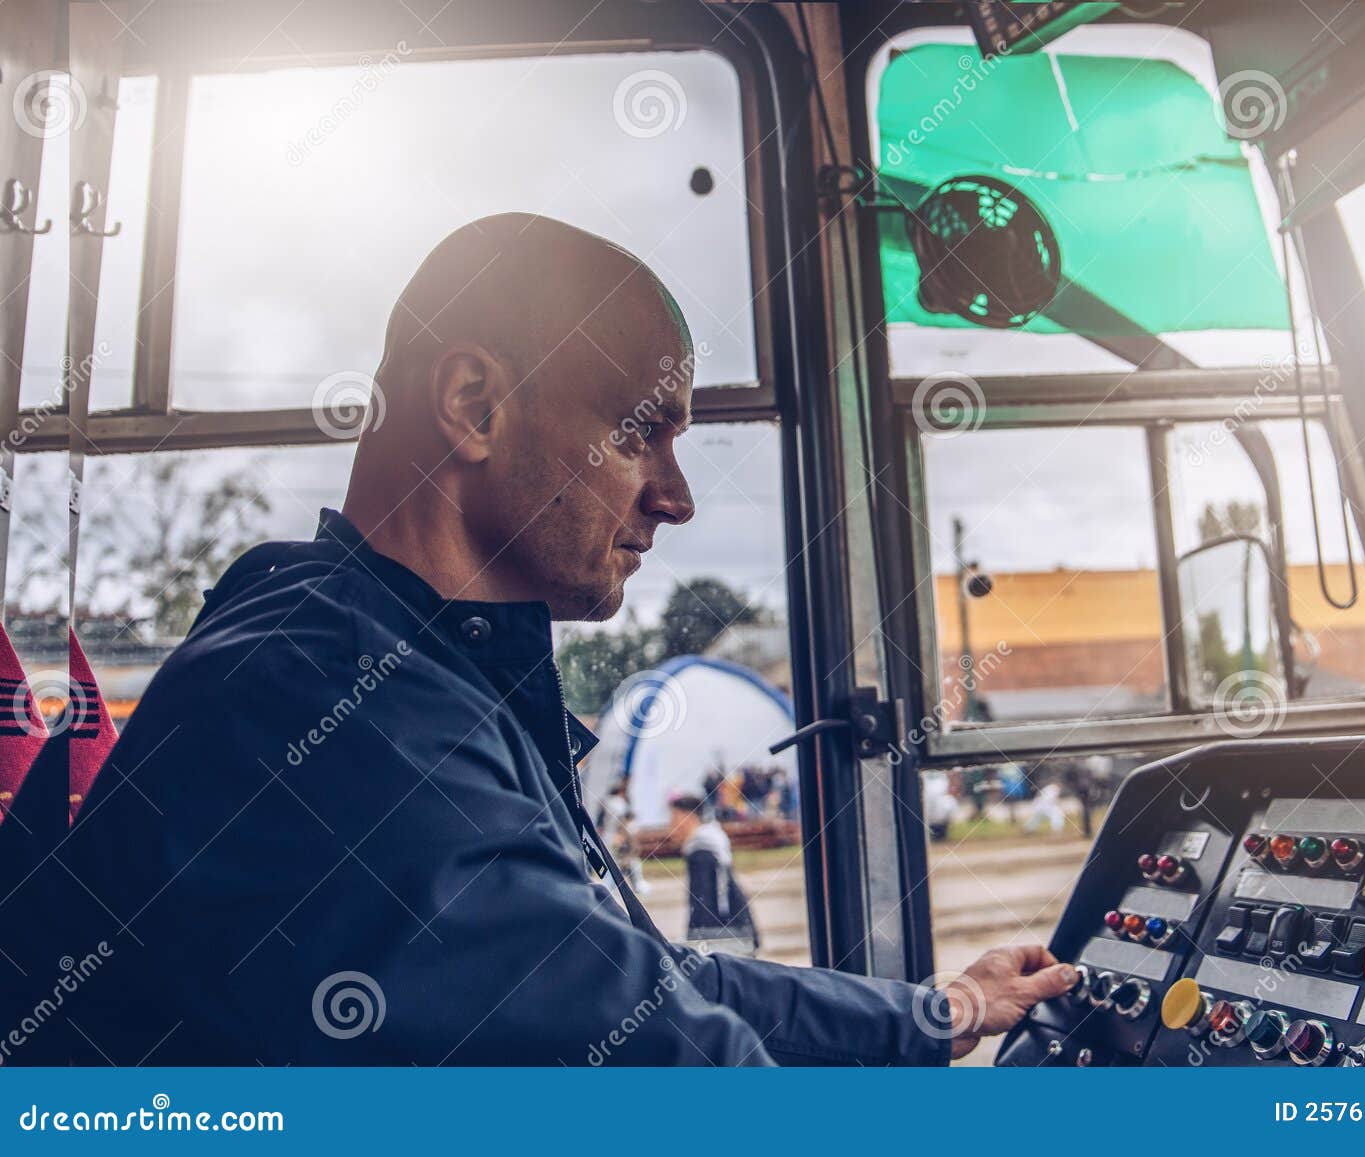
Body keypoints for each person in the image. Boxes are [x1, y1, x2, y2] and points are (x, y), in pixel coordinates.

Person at [53, 214, 1074, 1066]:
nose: (673, 497)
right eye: (640, 432)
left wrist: (943, 1011)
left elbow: (638, 984)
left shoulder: (420, 665)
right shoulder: (319, 691)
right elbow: (654, 1065)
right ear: (473, 404)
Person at [667, 793, 758, 956]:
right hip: (736, 926)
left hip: (722, 935)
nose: (670, 825)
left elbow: (703, 903)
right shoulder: (711, 845)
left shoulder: (701, 852)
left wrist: (695, 943)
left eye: (675, 818)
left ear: (689, 818)